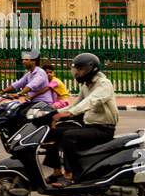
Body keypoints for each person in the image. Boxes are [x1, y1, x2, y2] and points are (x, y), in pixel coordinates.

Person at [46, 52, 118, 186]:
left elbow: (91, 101)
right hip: (89, 127)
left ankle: (70, 175)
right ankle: (57, 172)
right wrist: (52, 113)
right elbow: (76, 104)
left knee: (69, 136)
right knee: (53, 132)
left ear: (92, 69)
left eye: (81, 69)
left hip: (103, 129)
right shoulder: (86, 85)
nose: (77, 73)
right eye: (76, 69)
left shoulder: (104, 84)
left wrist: (69, 113)